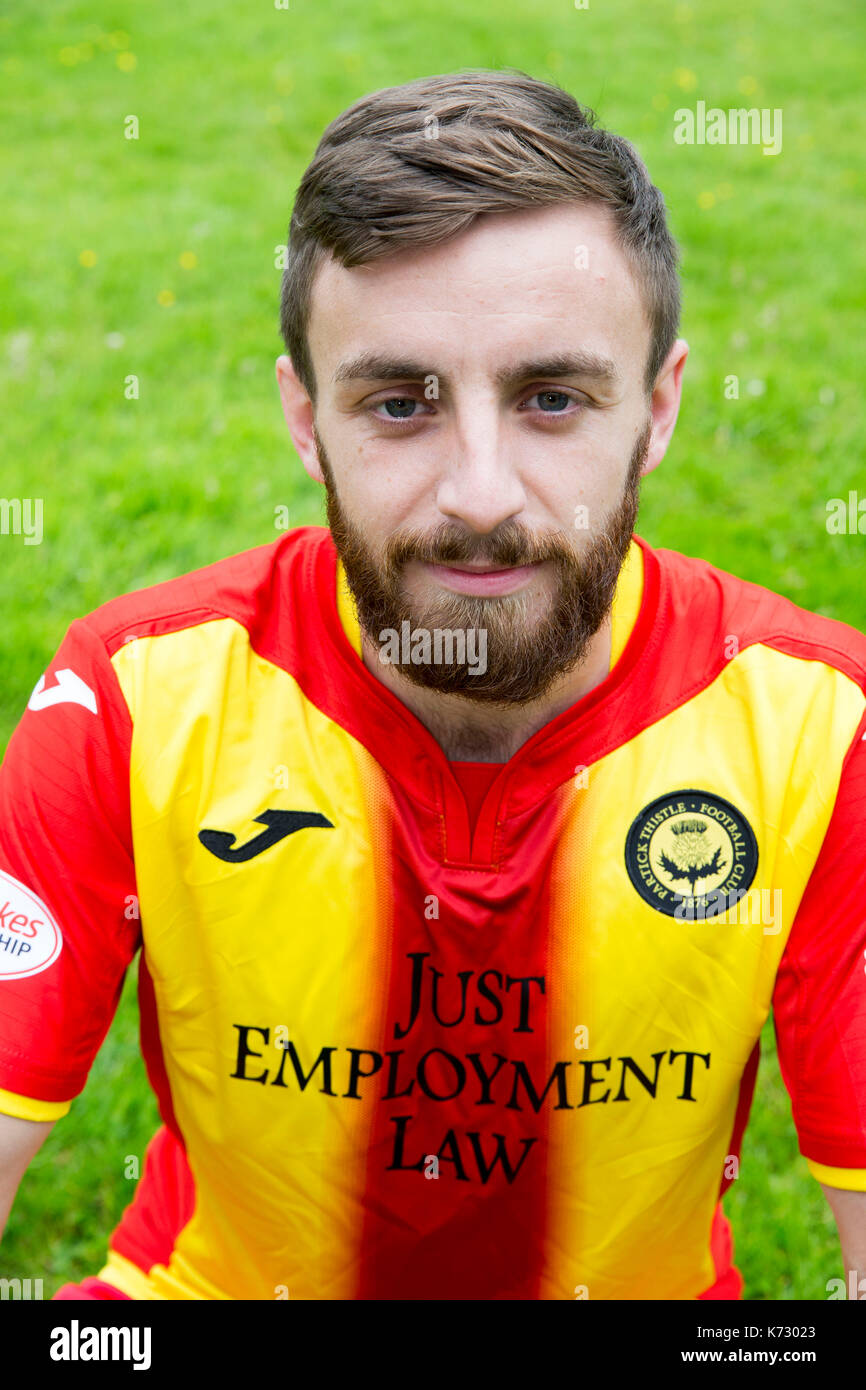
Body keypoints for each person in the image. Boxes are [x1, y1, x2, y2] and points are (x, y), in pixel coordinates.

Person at [1, 68, 864, 1302]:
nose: (477, 492)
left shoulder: (819, 730)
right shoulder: (133, 697)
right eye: (398, 403)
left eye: (550, 398)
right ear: (304, 420)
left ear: (657, 409)